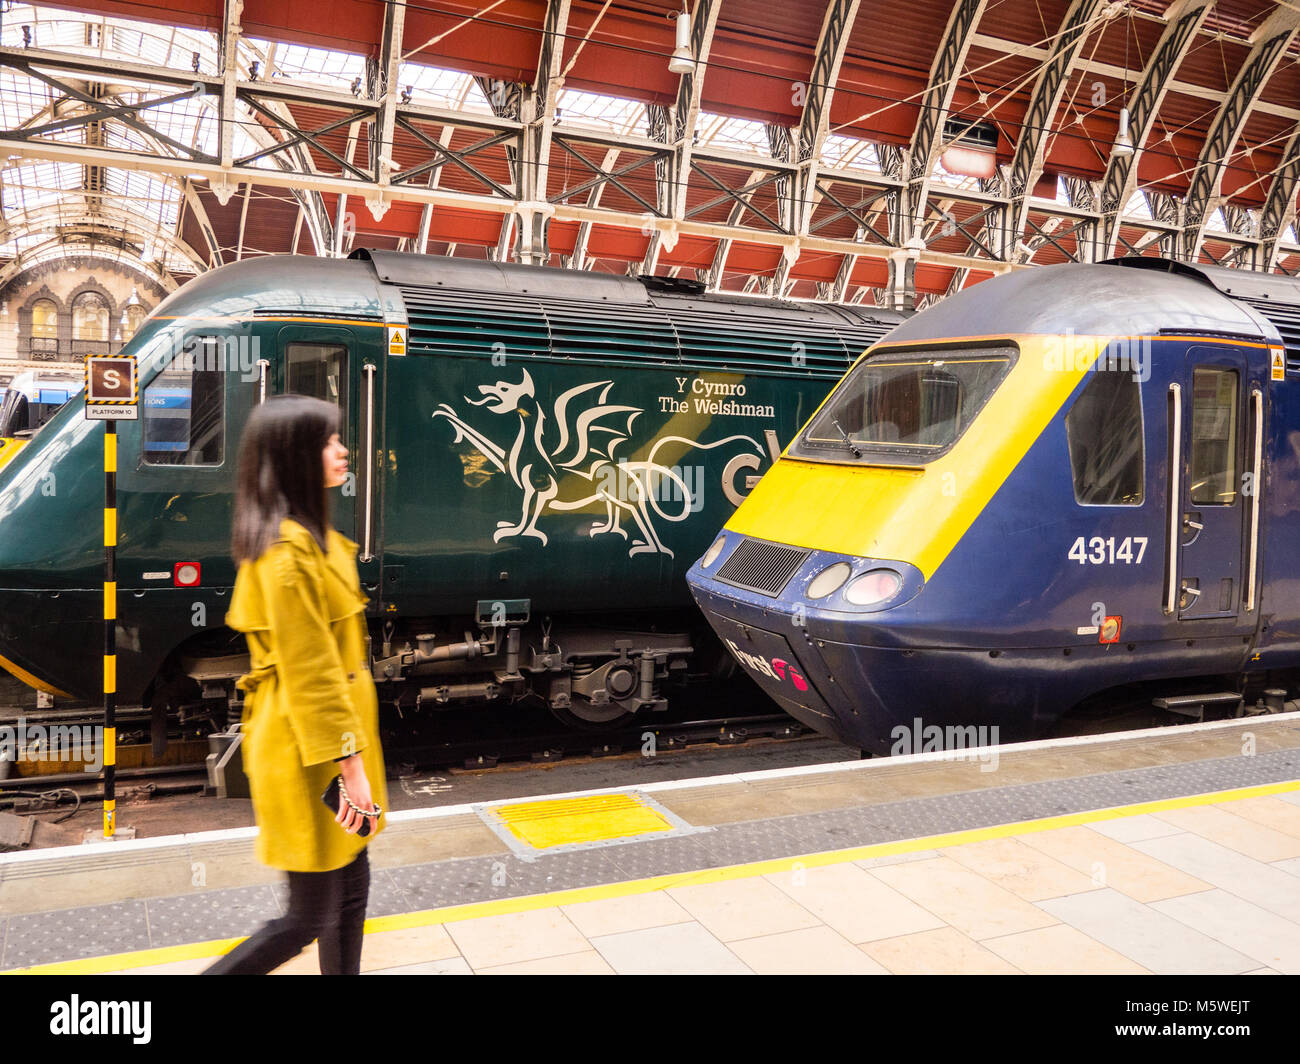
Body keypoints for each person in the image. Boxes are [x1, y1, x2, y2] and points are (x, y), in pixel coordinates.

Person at [204, 394, 386, 975]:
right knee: (306, 916)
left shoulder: (315, 538)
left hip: (336, 745)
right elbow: (311, 674)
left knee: (352, 888)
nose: (343, 449)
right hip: (309, 751)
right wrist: (350, 770)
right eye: (329, 441)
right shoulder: (286, 555)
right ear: (294, 459)